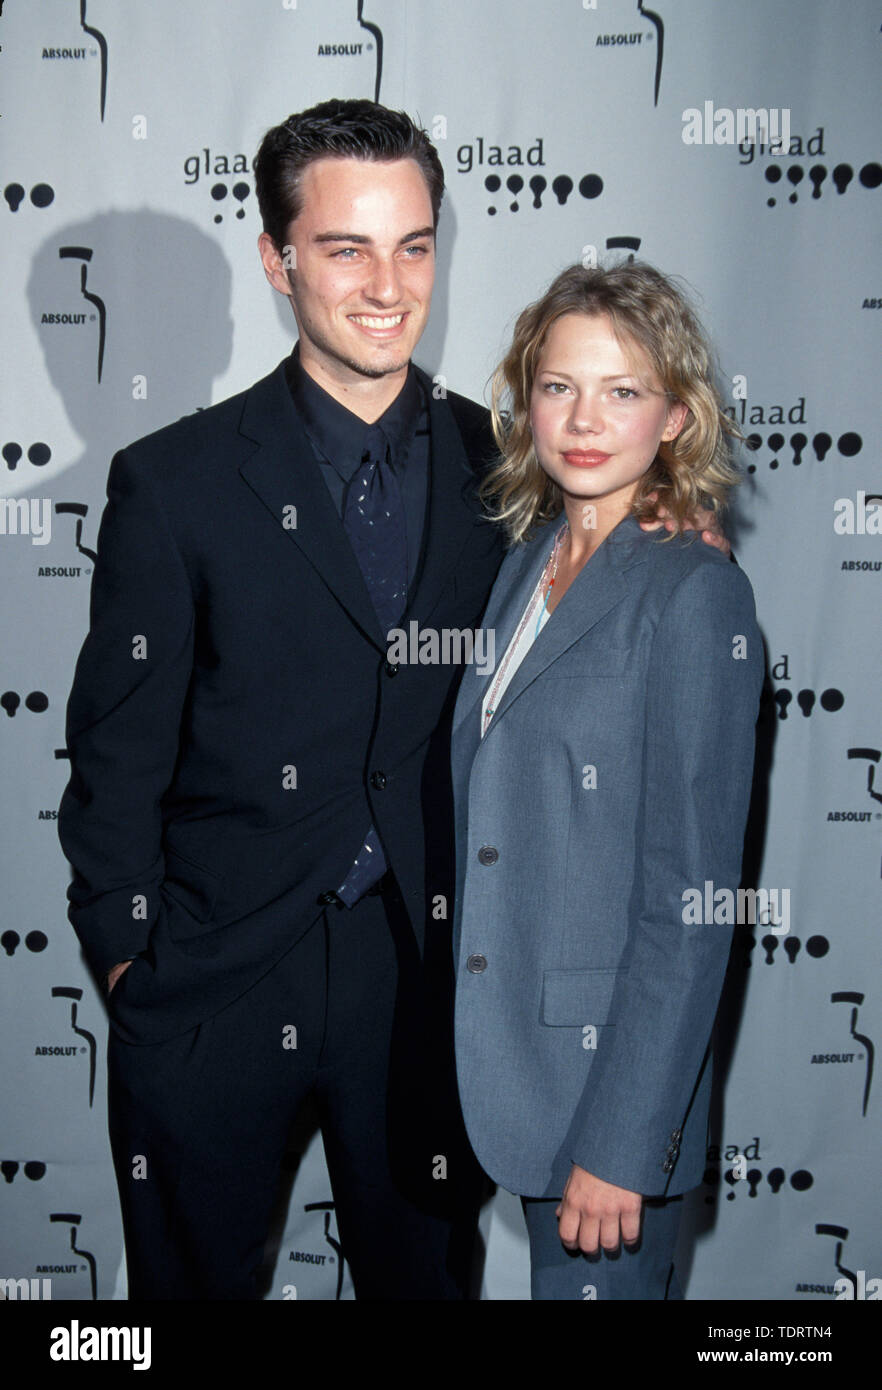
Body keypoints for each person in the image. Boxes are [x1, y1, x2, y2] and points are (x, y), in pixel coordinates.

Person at [57, 99, 726, 1301]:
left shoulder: (517, 468)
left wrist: (671, 518)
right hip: (212, 986)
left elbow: (616, 550)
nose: (387, 285)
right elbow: (113, 760)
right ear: (277, 259)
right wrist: (132, 970)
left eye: (413, 245)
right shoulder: (172, 484)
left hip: (431, 987)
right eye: (345, 247)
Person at [451, 261, 764, 1300]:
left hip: (604, 1102)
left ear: (675, 415)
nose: (584, 419)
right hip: (521, 1073)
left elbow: (692, 900)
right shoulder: (531, 559)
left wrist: (628, 1139)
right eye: (558, 386)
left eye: (623, 391)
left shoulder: (693, 593)